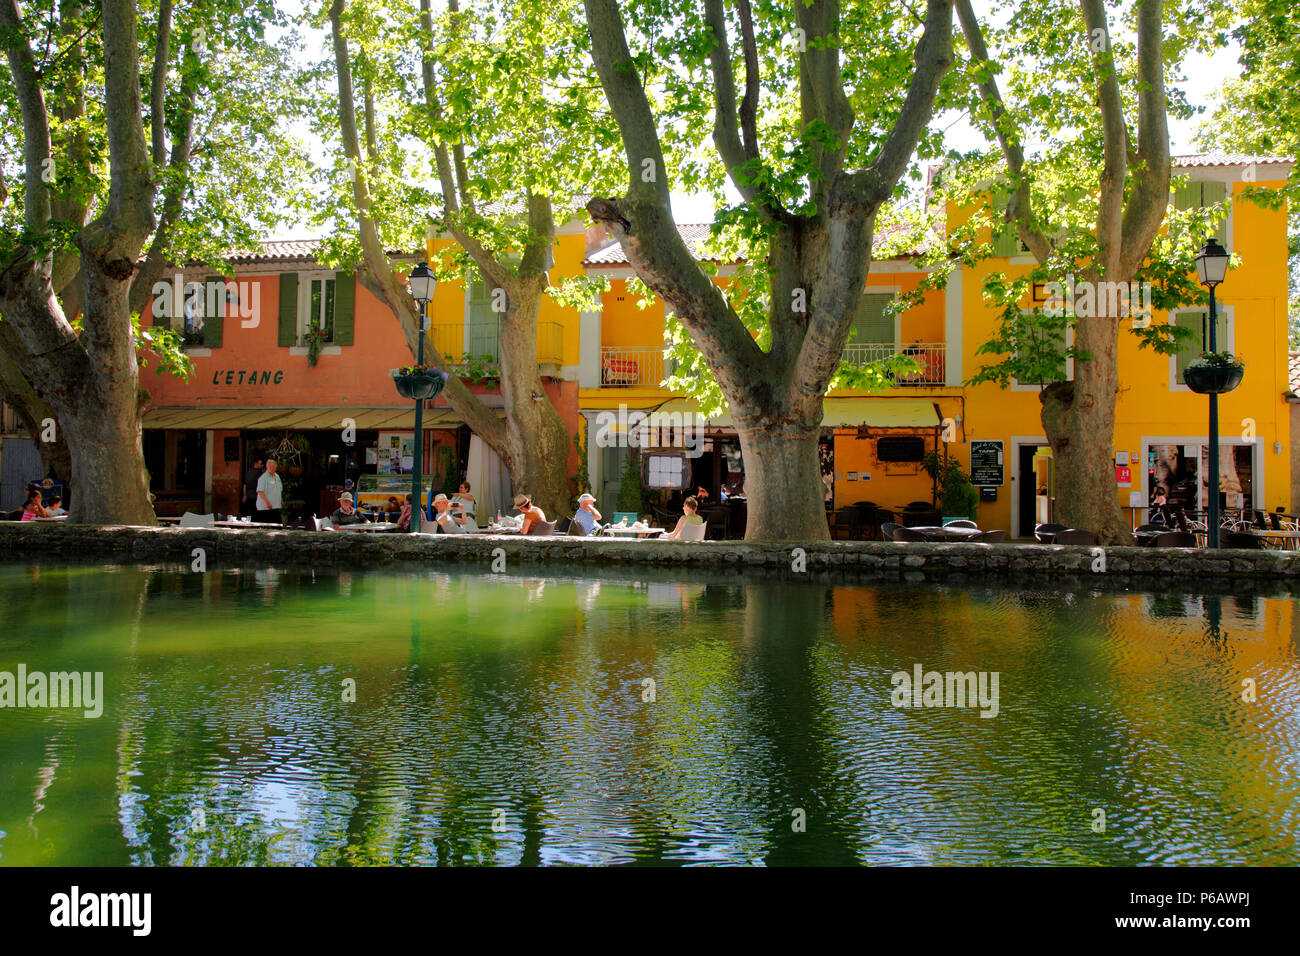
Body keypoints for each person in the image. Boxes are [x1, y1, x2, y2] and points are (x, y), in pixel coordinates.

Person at [255, 458, 283, 524]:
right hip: (266, 508)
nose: (272, 468)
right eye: (271, 467)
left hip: (275, 506)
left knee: (277, 526)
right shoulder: (263, 478)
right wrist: (267, 503)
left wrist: (281, 500)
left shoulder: (277, 476)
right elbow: (260, 491)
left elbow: (279, 489)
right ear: (267, 467)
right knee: (266, 527)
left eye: (274, 466)